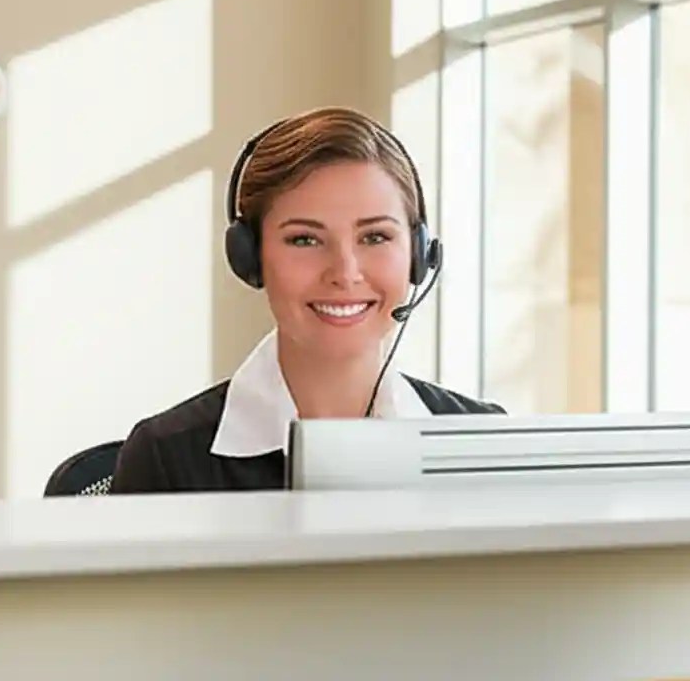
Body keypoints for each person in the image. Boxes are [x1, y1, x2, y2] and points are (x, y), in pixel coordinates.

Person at [109, 106, 504, 494]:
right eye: (305, 239)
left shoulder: (483, 444)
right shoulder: (168, 461)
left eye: (375, 237)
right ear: (251, 257)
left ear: (419, 255)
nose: (345, 272)